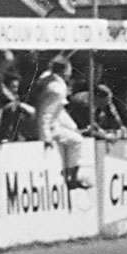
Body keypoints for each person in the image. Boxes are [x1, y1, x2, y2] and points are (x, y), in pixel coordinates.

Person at [32, 53, 90, 189]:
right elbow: (45, 113)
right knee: (77, 141)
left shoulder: (50, 80)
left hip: (52, 123)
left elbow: (59, 110)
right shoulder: (56, 88)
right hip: (49, 128)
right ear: (66, 70)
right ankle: (72, 177)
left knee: (76, 135)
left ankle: (71, 174)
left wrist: (73, 126)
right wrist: (45, 137)